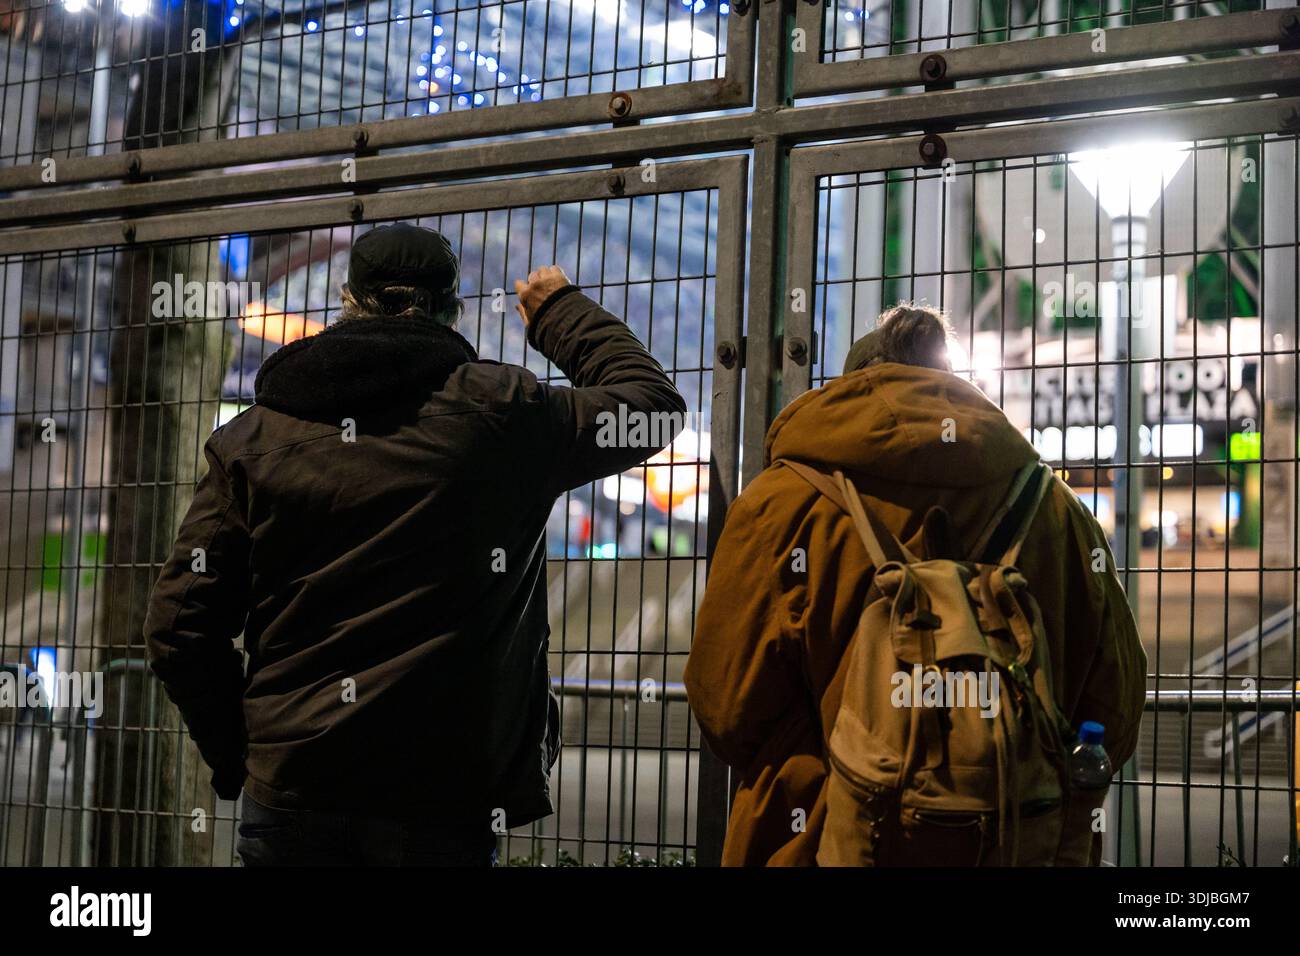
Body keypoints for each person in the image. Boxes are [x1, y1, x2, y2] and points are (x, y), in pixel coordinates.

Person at [144, 223, 685, 866]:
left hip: (293, 794)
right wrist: (560, 313)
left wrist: (245, 754)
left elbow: (180, 628)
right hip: (445, 798)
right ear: (451, 308)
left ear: (346, 301)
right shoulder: (504, 416)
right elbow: (650, 406)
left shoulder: (253, 441)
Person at [684, 303, 1146, 866]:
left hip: (816, 842)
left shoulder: (779, 504)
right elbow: (1114, 710)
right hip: (1016, 847)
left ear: (850, 389)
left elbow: (725, 705)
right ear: (954, 387)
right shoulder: (1056, 509)